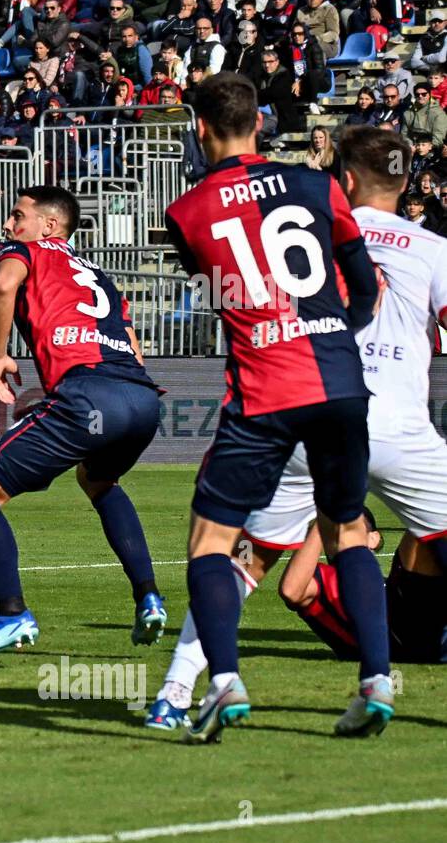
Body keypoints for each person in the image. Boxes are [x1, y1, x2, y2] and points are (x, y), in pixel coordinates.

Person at [147, 126, 447, 727]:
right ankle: (377, 683)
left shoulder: (308, 215)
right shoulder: (434, 248)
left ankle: (177, 691)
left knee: (242, 558)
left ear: (348, 180)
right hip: (392, 422)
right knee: (358, 539)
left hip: (305, 396)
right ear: (406, 180)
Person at [163, 74, 386, 743]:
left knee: (209, 540)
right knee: (346, 529)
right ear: (259, 122)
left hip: (264, 389)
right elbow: (365, 285)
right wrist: (333, 332)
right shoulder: (319, 185)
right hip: (340, 382)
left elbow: (221, 287)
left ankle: (224, 682)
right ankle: (375, 681)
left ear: (201, 128)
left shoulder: (187, 211)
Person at [0, 186, 166, 668]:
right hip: (142, 396)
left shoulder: (25, 251)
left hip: (90, 395)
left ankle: (10, 614)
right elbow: (133, 341)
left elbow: (3, 285)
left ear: (49, 226)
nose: (8, 225)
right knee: (98, 479)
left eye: (16, 215)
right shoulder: (98, 275)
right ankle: (149, 596)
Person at [280, 516, 447, 665]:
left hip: (427, 630)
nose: (341, 537)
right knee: (425, 524)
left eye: (352, 530)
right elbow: (291, 591)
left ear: (373, 538)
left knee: (429, 518)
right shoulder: (325, 580)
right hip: (397, 642)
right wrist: (324, 516)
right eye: (333, 532)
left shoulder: (388, 585)